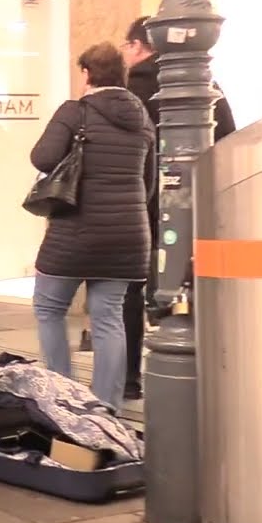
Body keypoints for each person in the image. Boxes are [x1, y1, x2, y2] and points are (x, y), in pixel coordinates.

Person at [30, 42, 155, 408]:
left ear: (87, 73)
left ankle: (63, 399)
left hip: (75, 232)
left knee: (49, 307)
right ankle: (106, 408)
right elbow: (148, 184)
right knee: (109, 317)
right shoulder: (142, 117)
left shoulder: (75, 111)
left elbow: (42, 157)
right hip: (128, 235)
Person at [118, 15, 236, 399]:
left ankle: (130, 378)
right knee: (197, 285)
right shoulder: (209, 86)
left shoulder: (131, 91)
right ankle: (214, 365)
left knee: (133, 292)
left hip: (142, 208)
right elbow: (229, 139)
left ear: (138, 46)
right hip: (200, 207)